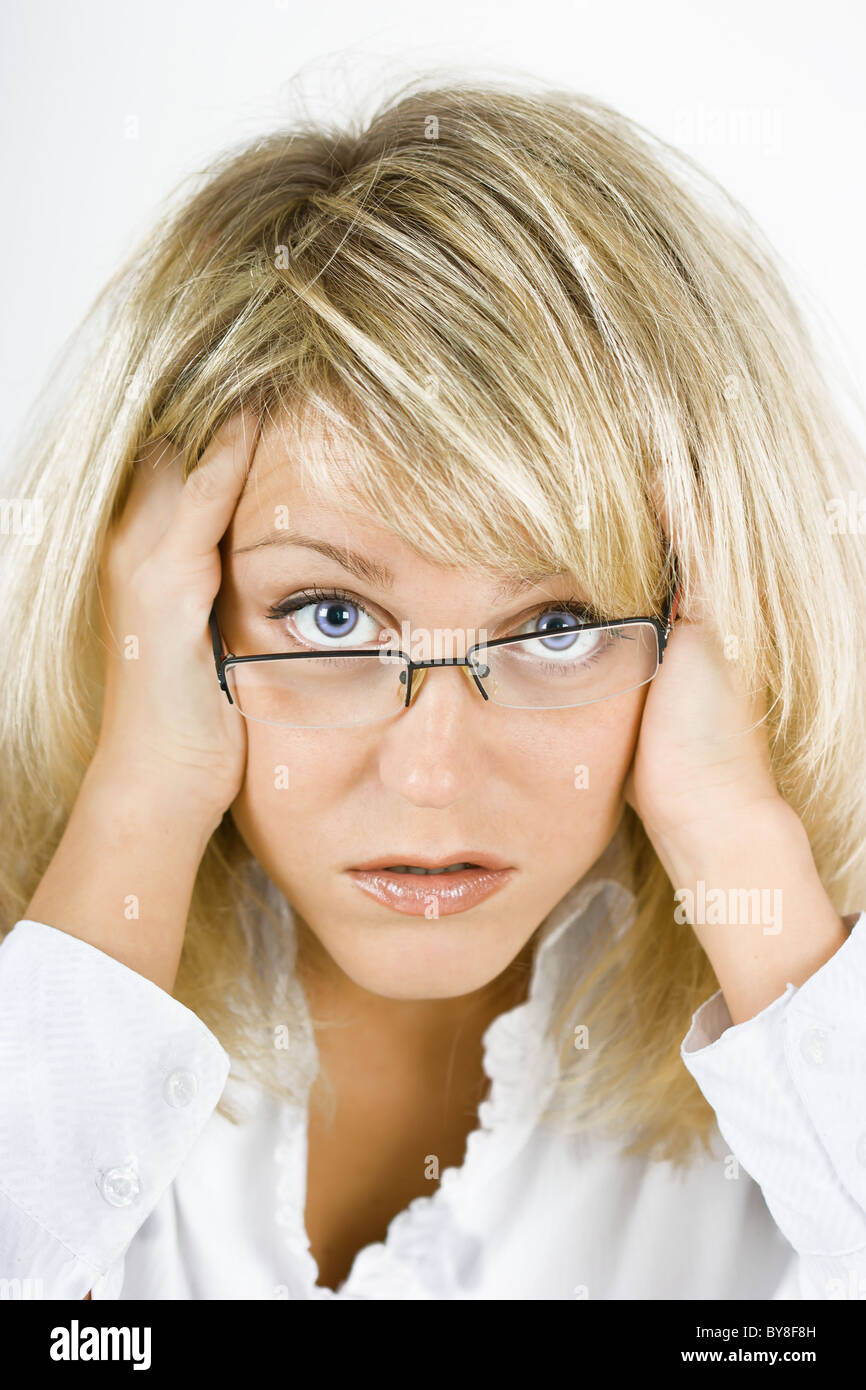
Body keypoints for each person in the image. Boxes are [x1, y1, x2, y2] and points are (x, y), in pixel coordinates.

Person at [1, 75, 865, 1302]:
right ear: (170, 606)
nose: (430, 775)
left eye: (557, 624)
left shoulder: (807, 1083)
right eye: (331, 617)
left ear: (705, 632)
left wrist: (734, 831)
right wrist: (137, 803)